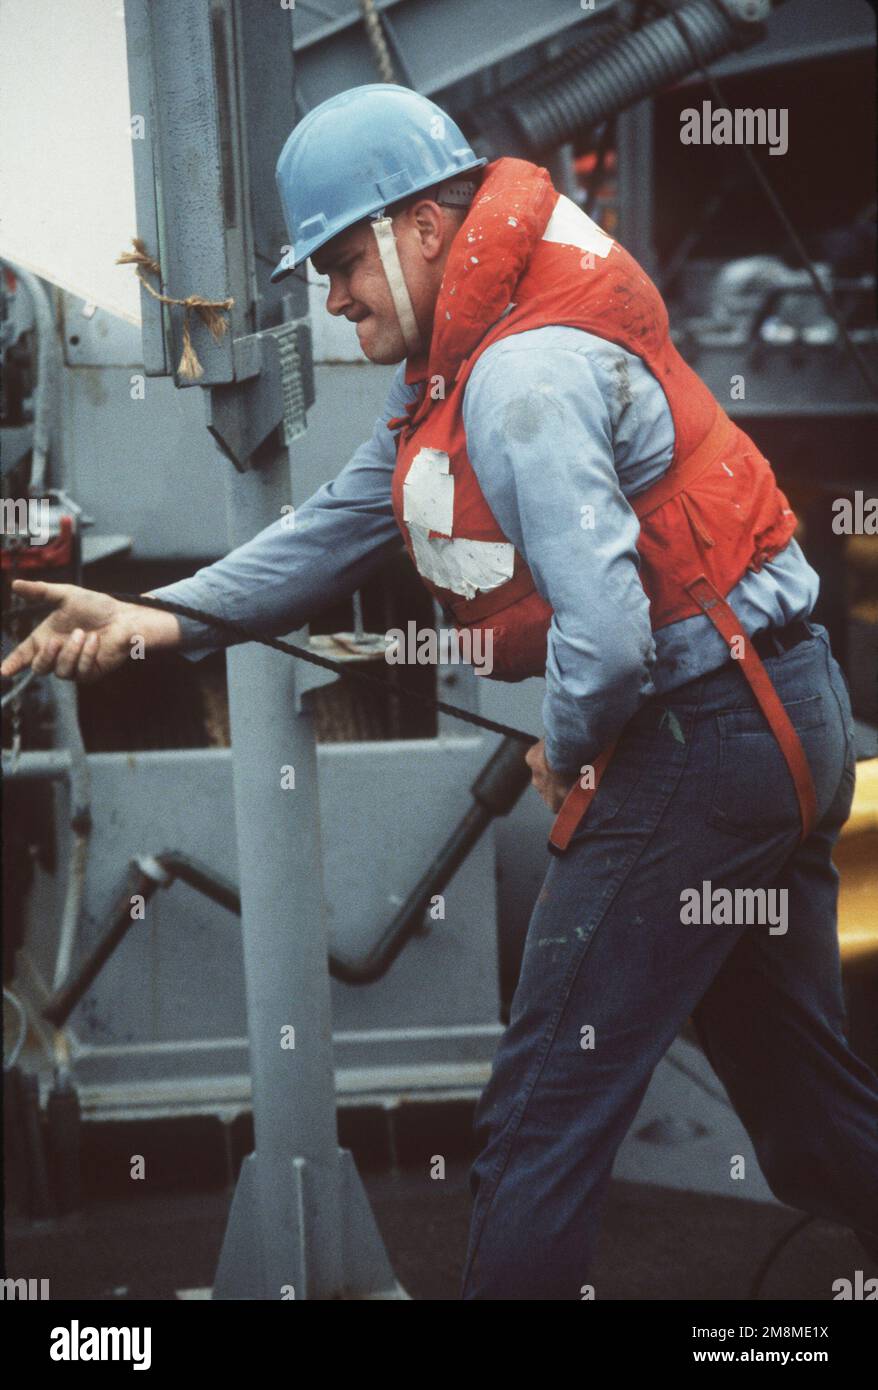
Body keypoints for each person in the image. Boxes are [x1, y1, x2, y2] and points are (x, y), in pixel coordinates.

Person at [3, 84, 876, 1297]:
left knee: (533, 1126)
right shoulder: (474, 344)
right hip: (784, 721)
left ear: (422, 227)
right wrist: (161, 617)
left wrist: (571, 753)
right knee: (806, 1113)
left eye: (345, 259)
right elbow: (351, 516)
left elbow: (611, 644)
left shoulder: (518, 376)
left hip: (698, 743)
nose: (332, 294)